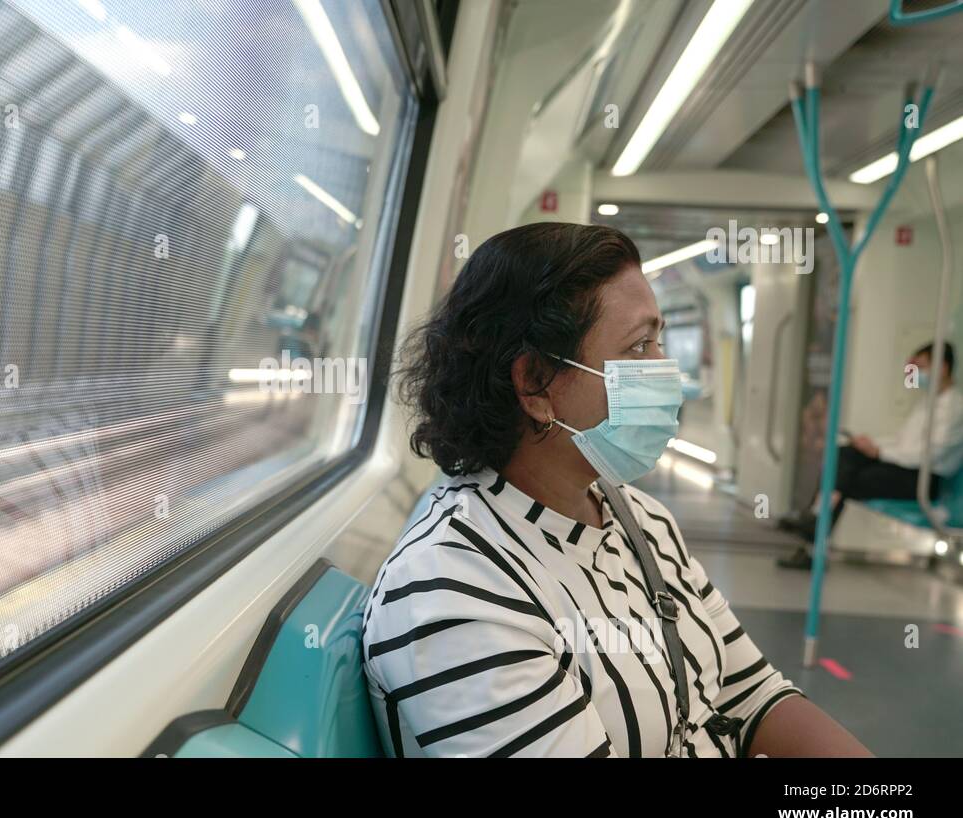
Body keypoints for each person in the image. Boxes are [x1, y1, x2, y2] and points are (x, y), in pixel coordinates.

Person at [362, 222, 870, 757]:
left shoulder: (638, 518)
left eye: (660, 340)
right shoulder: (456, 591)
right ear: (536, 384)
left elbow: (751, 694)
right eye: (637, 347)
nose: (664, 371)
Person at [777, 342, 963, 568]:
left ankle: (814, 531)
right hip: (905, 469)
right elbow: (904, 442)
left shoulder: (954, 407)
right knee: (843, 455)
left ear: (942, 368)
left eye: (920, 367)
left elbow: (929, 455)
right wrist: (872, 445)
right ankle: (814, 530)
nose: (916, 374)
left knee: (842, 477)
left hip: (923, 480)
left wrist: (879, 452)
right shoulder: (927, 402)